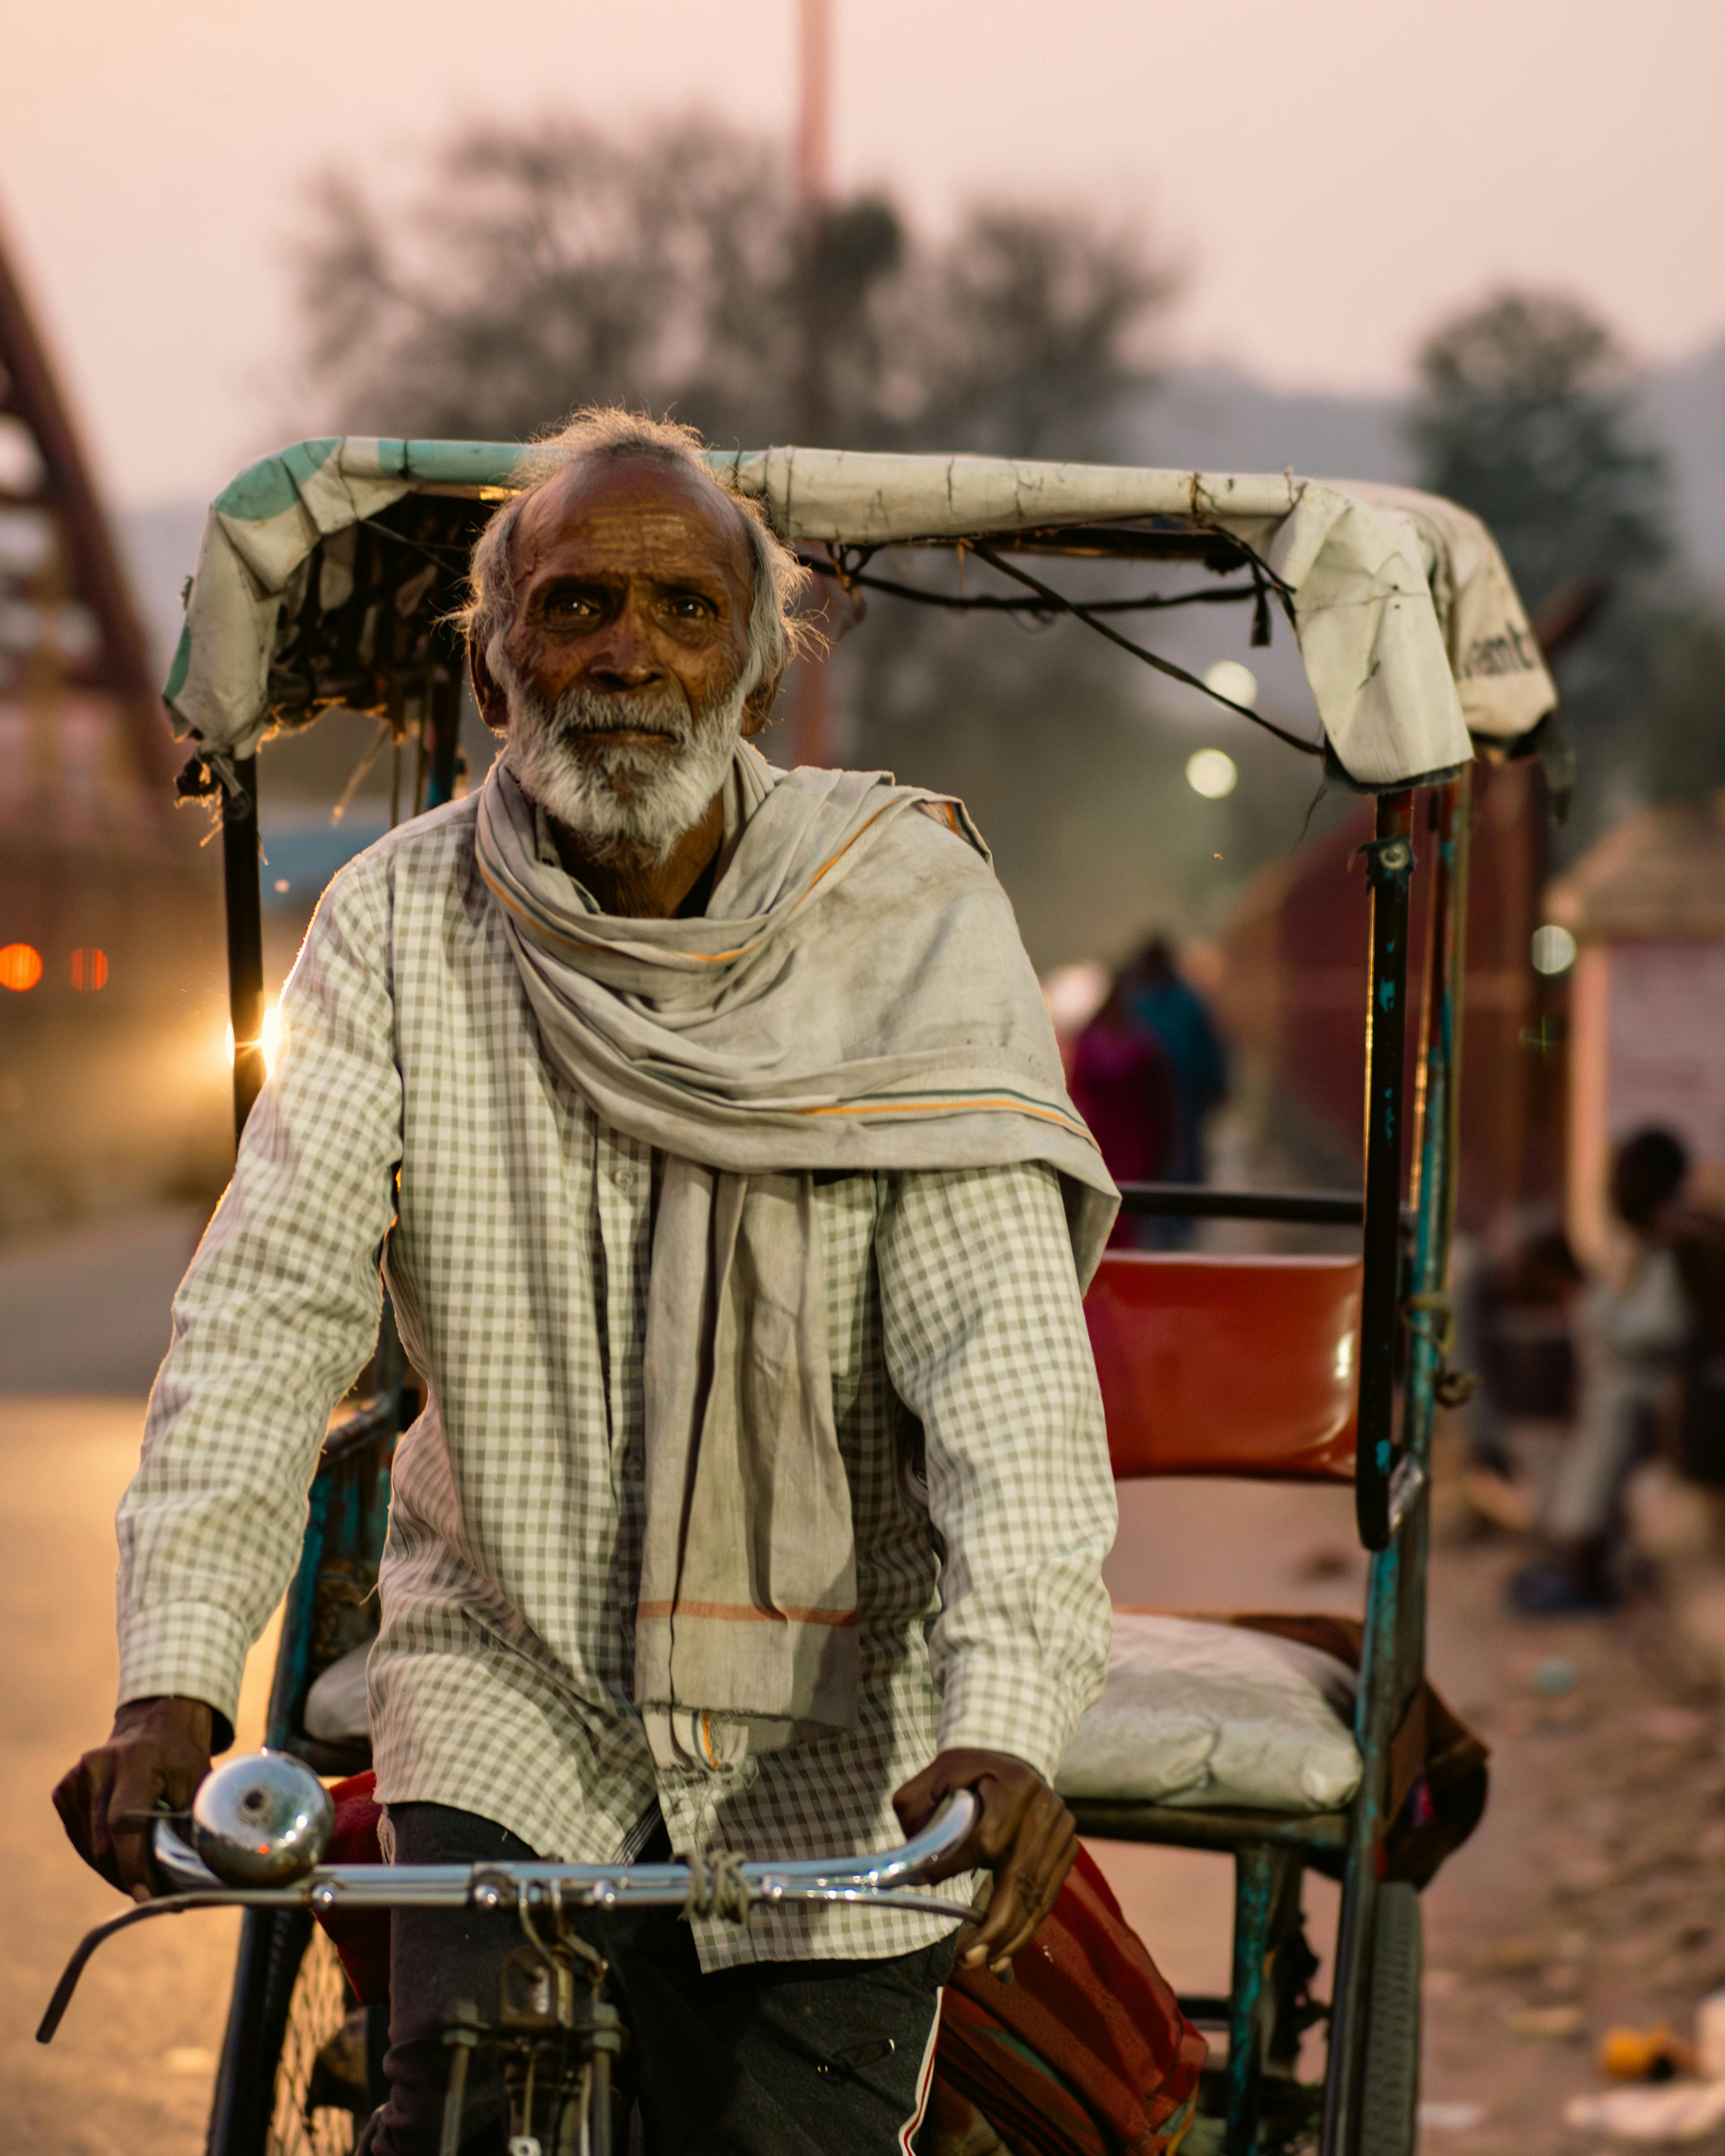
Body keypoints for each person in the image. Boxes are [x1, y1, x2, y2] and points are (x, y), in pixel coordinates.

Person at [51, 411, 1120, 2154]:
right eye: (575, 610)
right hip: (511, 1675)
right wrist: (170, 1681)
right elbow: (266, 1314)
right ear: (494, 674)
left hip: (841, 1729)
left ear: (761, 684)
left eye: (687, 613)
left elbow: (996, 1354)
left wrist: (1005, 1727)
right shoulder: (398, 926)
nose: (630, 652)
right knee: (459, 2115)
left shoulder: (907, 910)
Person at [1511, 1129, 1692, 1615]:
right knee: (1591, 1425)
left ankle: (1586, 1563)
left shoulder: (1677, 1248)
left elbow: (1660, 1329)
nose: (1613, 1190)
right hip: (1618, 1385)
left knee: (1614, 1418)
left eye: (1621, 1179)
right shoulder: (1636, 1246)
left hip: (1661, 1389)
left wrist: (1590, 1308)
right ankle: (1572, 1557)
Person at [1068, 979, 1180, 1248]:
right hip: (1128, 1146)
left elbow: (1075, 1093)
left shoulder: (1092, 1044)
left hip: (1105, 1145)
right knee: (1123, 1217)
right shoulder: (1145, 1047)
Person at [1120, 938, 1227, 1188]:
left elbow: (1207, 1049)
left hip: (1179, 1096)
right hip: (1162, 1098)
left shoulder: (1141, 1002)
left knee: (1180, 1157)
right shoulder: (1185, 1001)